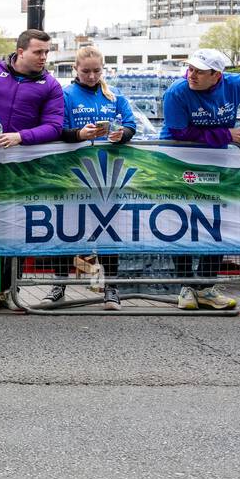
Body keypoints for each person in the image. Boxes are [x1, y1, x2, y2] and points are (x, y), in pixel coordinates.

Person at [159, 47, 240, 310]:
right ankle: (185, 287)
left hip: (217, 163)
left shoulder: (236, 85)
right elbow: (180, 132)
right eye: (190, 69)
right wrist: (226, 135)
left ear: (217, 75)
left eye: (199, 72)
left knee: (215, 221)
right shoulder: (176, 92)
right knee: (183, 220)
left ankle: (206, 287)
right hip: (179, 159)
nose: (191, 75)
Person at [0, 30, 64, 296]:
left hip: (23, 168)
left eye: (46, 52)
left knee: (17, 226)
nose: (44, 57)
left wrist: (20, 137)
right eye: (38, 52)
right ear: (20, 52)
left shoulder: (50, 85)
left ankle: (11, 289)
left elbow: (54, 126)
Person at [51, 45, 138, 310]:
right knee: (66, 231)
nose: (91, 76)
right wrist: (79, 134)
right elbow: (57, 129)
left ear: (104, 70)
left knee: (109, 231)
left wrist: (120, 134)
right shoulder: (65, 95)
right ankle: (59, 285)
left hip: (107, 174)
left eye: (96, 71)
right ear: (75, 70)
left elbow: (131, 125)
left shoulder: (114, 96)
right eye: (86, 71)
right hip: (72, 173)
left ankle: (111, 288)